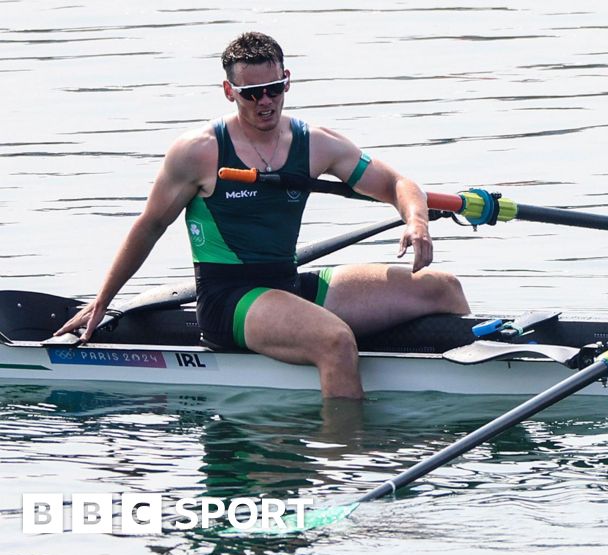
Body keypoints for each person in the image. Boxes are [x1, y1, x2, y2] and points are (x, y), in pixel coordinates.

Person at [56, 31, 470, 399]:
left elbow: (398, 184)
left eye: (273, 89)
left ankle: (458, 374)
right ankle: (345, 456)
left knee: (443, 288)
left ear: (287, 80)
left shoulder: (318, 143)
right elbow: (150, 226)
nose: (265, 102)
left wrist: (416, 222)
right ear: (228, 91)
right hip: (229, 299)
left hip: (285, 283)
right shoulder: (199, 152)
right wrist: (103, 300)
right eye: (250, 93)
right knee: (335, 341)